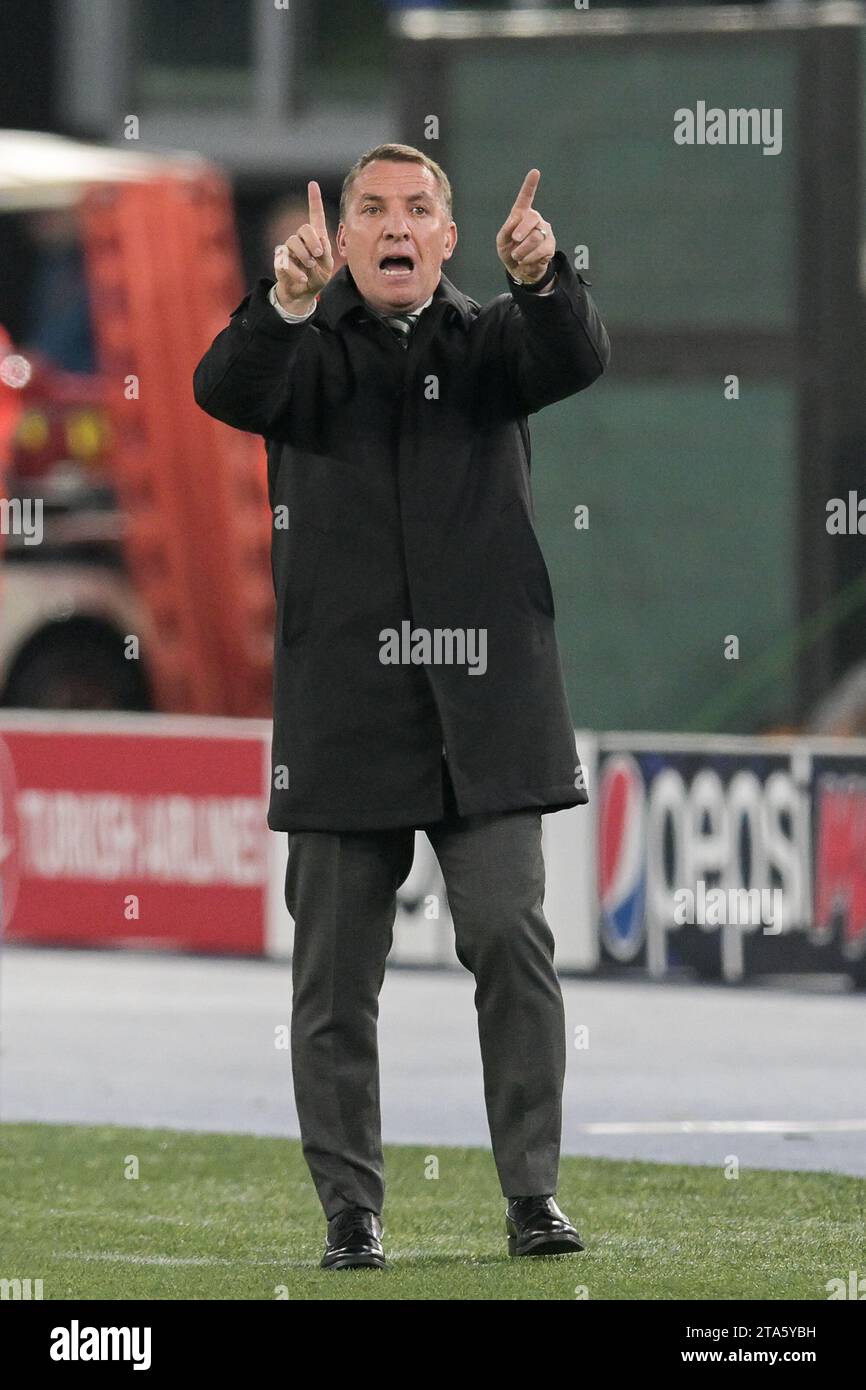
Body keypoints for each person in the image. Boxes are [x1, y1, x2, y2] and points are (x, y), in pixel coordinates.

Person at [193, 143, 610, 1270]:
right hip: (344, 715)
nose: (392, 224)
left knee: (508, 938)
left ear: (446, 238)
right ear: (343, 238)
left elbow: (574, 351)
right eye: (370, 208)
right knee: (332, 982)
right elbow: (221, 387)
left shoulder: (491, 343)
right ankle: (350, 1215)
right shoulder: (300, 351)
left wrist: (545, 275)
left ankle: (532, 1198)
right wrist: (282, 297)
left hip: (487, 711)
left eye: (415, 209)